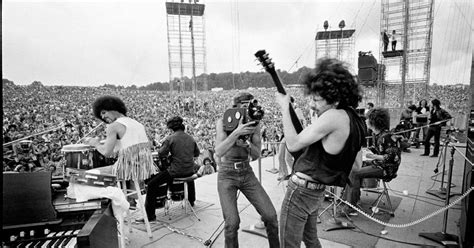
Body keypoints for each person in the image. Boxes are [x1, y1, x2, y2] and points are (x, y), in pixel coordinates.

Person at [275, 58, 366, 247]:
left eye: (317, 100)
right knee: (311, 239)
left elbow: (293, 144)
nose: (312, 105)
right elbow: (356, 165)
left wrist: (284, 108)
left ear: (335, 99)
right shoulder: (356, 120)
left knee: (288, 243)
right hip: (316, 192)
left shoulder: (333, 116)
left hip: (300, 191)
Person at [214, 92, 279, 248]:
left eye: (251, 104)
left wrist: (248, 145)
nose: (249, 108)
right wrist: (236, 133)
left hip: (246, 171)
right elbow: (219, 151)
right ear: (236, 106)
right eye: (245, 104)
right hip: (227, 173)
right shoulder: (223, 122)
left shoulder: (255, 125)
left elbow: (256, 155)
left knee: (270, 216)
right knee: (232, 223)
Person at [85, 95, 157, 211]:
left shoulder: (113, 126)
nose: (103, 117)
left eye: (103, 113)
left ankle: (111, 207)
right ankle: (128, 199)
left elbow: (106, 153)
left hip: (126, 170)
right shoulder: (137, 124)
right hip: (141, 169)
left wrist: (96, 143)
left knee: (85, 176)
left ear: (112, 108)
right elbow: (123, 150)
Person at [342, 108, 402, 214]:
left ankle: (351, 206)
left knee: (354, 173)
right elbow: (376, 148)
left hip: (386, 168)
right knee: (353, 167)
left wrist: (372, 156)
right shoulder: (376, 134)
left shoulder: (387, 136)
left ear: (374, 121)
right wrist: (364, 150)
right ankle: (349, 199)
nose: (365, 121)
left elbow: (390, 157)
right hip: (379, 164)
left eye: (367, 119)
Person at [143, 116, 200, 221]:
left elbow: (161, 153)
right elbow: (196, 153)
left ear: (172, 128)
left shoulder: (170, 138)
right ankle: (191, 200)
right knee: (188, 174)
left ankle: (150, 216)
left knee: (151, 184)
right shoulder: (191, 138)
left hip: (176, 171)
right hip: (190, 170)